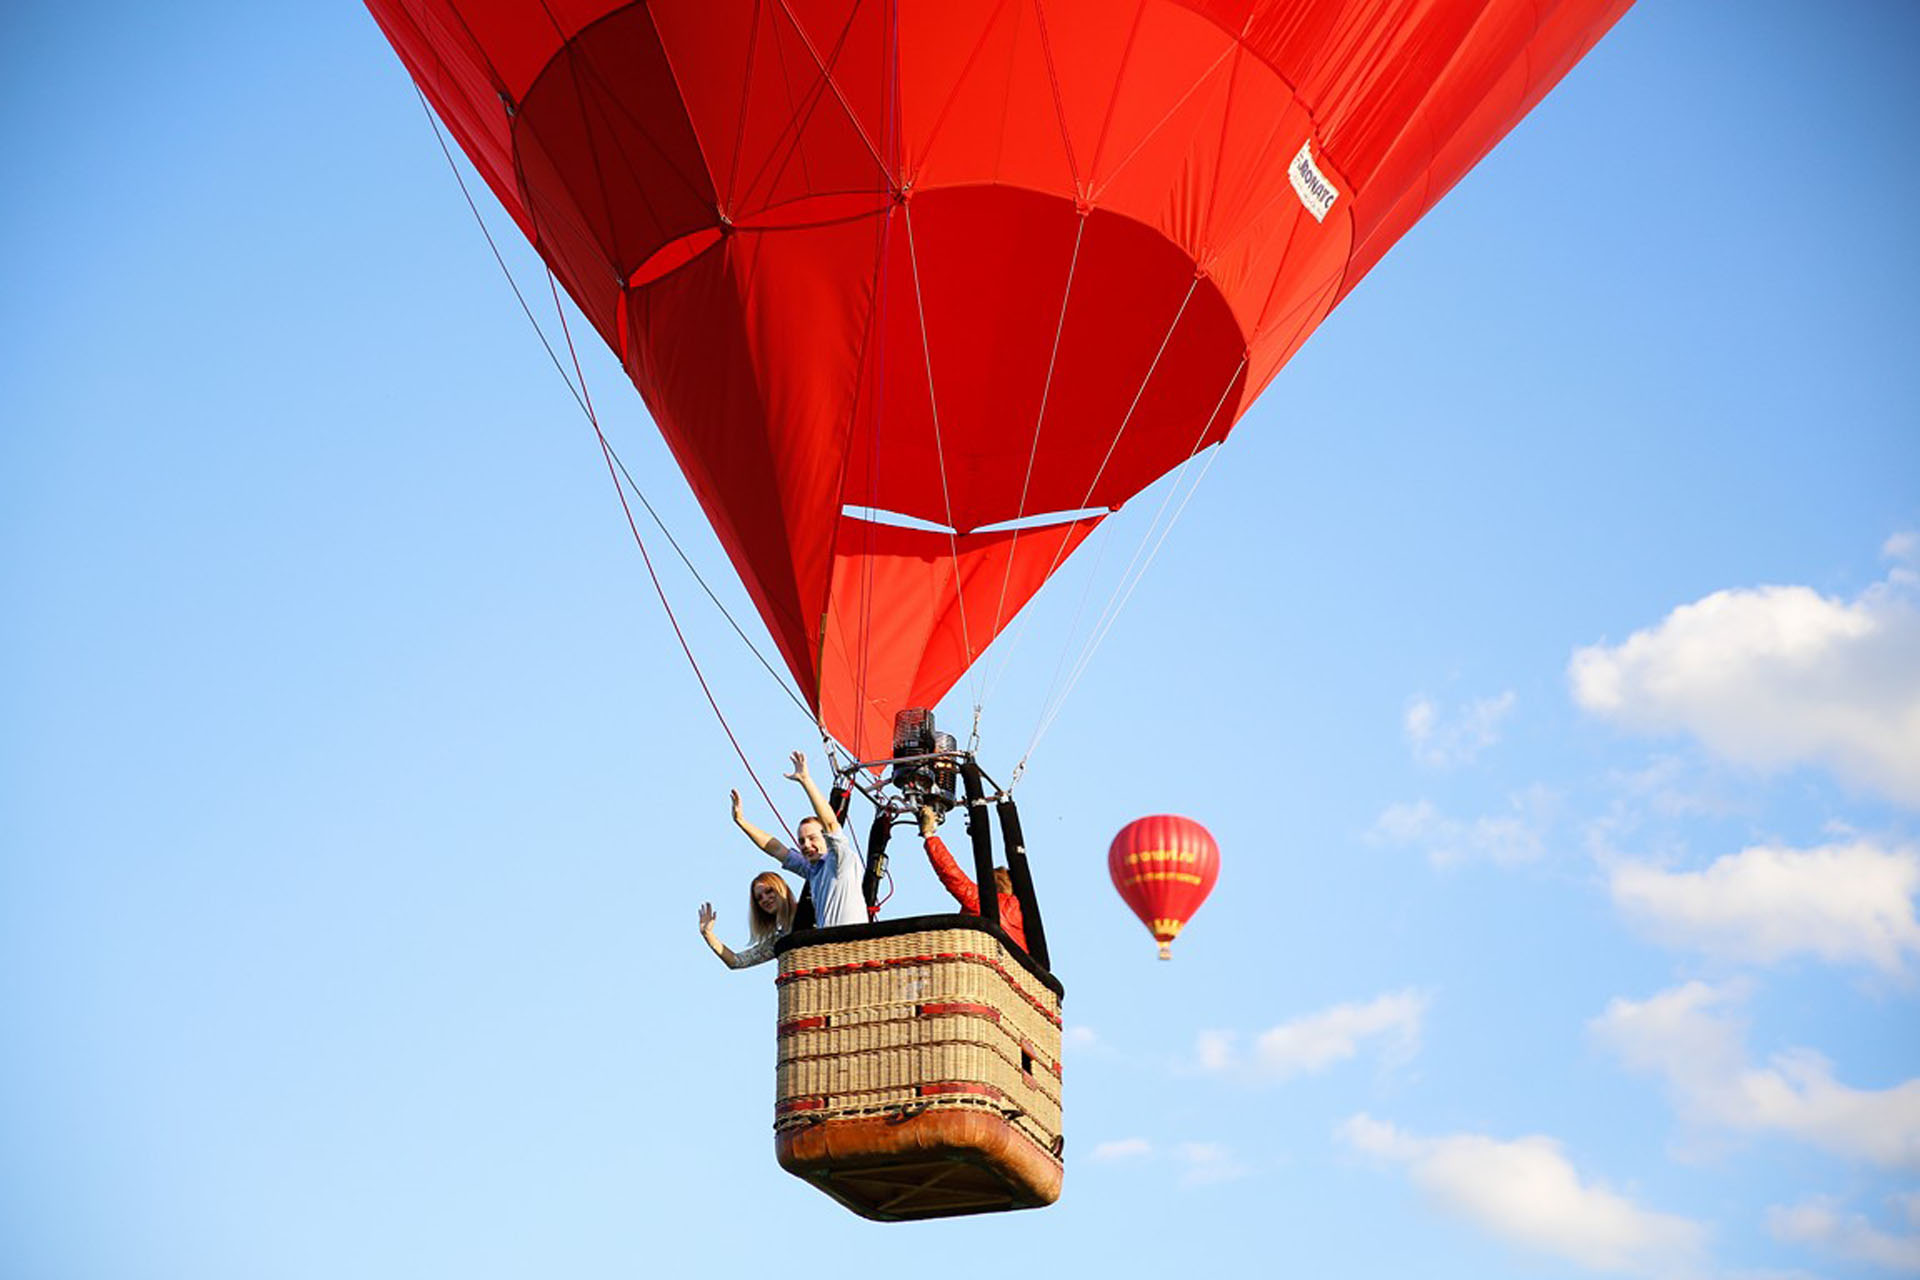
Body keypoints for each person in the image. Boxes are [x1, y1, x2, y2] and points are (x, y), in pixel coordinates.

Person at [731, 750, 868, 928]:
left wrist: (806, 781)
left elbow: (831, 823)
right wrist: (742, 822)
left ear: (825, 839)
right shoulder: (813, 871)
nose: (806, 845)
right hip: (831, 949)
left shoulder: (840, 860)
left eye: (812, 838)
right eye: (802, 841)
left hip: (853, 944)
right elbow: (776, 849)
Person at [919, 805, 1027, 951]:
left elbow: (951, 874)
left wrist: (929, 835)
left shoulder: (981, 901)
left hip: (984, 962)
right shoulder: (1021, 908)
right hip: (1014, 970)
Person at [696, 871, 796, 969]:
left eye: (769, 891)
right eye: (759, 898)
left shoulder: (808, 908)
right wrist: (708, 934)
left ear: (781, 889)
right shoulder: (779, 940)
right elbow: (737, 961)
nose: (765, 899)